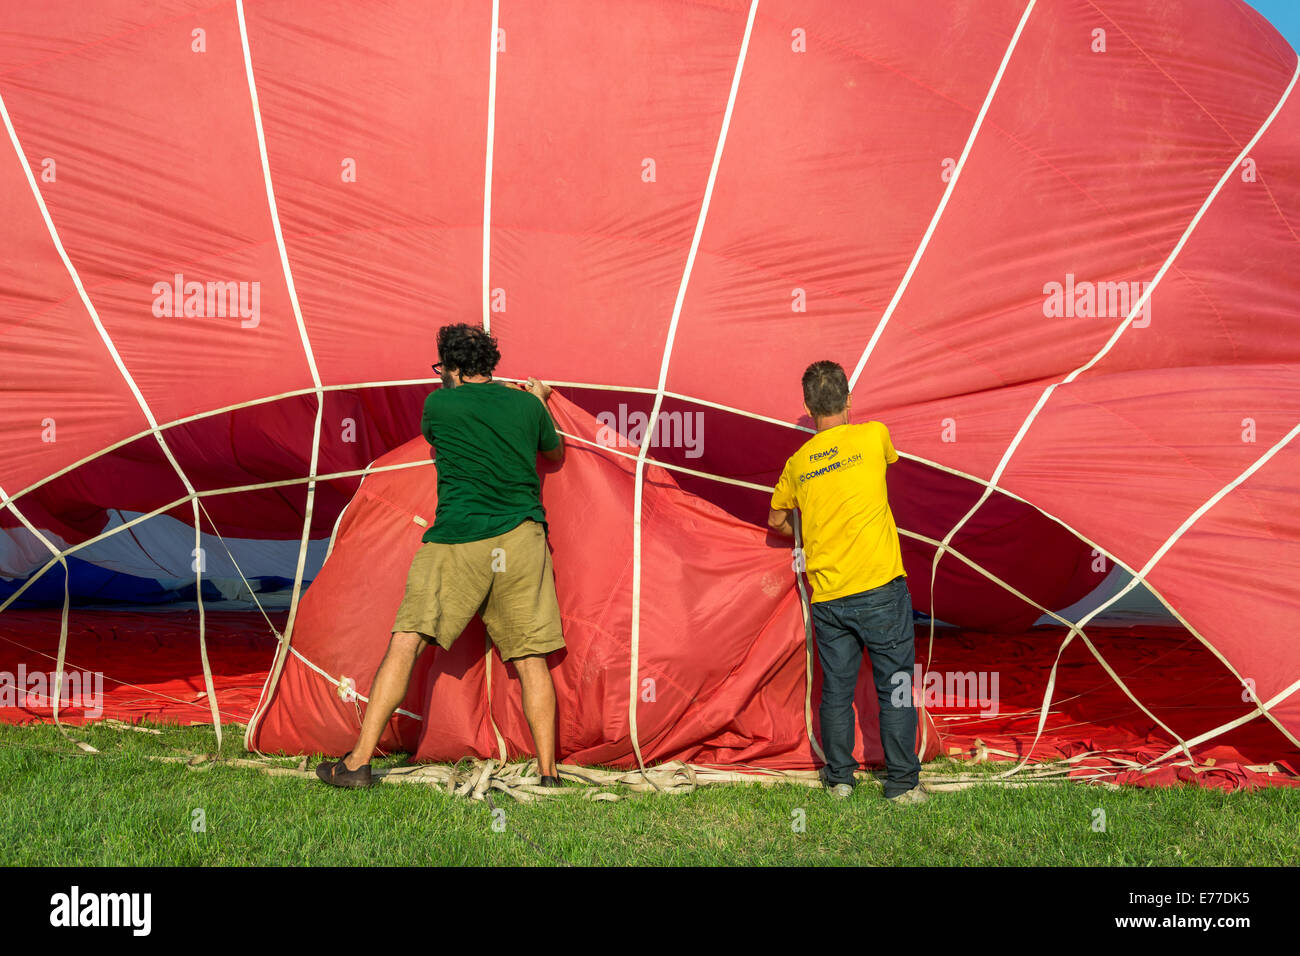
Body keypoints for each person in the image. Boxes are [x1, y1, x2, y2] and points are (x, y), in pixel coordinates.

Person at [317, 323, 567, 788]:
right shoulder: (527, 405)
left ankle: (358, 764)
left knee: (407, 640)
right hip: (522, 541)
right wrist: (539, 401)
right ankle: (549, 774)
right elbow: (555, 452)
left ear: (451, 366)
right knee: (532, 658)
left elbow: (437, 437)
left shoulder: (439, 404)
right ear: (489, 363)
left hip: (457, 542)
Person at [767, 360, 926, 805]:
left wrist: (809, 526)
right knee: (894, 685)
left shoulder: (798, 464)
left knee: (835, 691)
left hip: (830, 595)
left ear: (807, 407)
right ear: (849, 399)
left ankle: (839, 779)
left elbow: (777, 519)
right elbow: (886, 465)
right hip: (880, 587)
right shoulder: (874, 436)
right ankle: (901, 786)